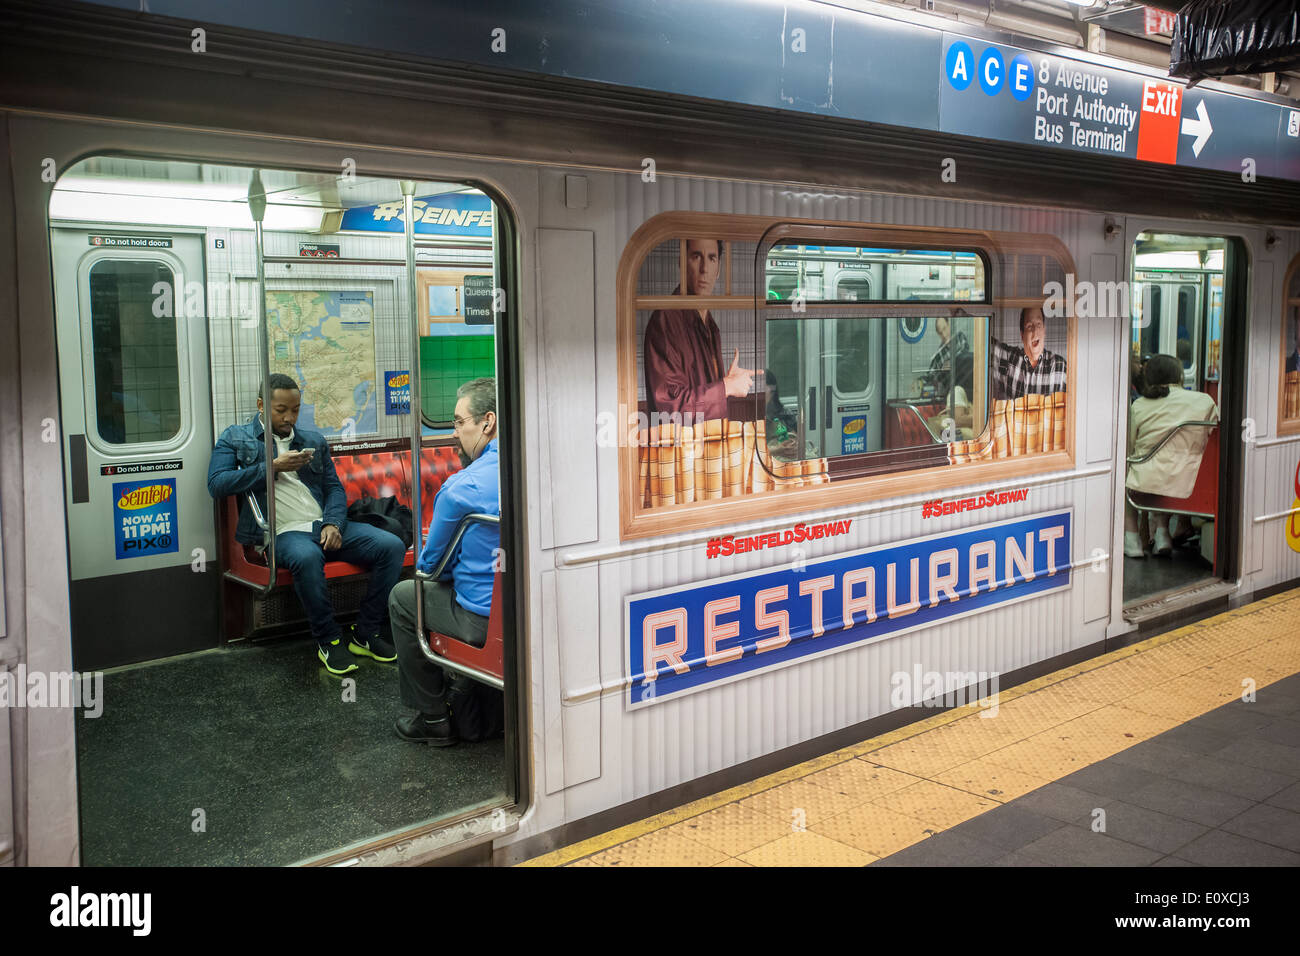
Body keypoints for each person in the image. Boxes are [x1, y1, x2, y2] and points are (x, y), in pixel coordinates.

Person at [207, 374, 405, 675]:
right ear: (261, 405)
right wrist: (270, 467)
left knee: (391, 546)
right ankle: (329, 640)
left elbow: (334, 489)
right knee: (307, 557)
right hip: (282, 532)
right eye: (281, 410)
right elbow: (217, 484)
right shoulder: (235, 438)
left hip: (322, 524)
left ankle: (366, 633)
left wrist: (333, 524)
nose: (289, 417)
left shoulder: (312, 441)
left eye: (296, 410)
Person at [388, 377, 500, 746]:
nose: (454, 433)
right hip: (536, 613)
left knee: (405, 596)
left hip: (483, 621)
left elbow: (430, 568)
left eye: (457, 422)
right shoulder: (543, 470)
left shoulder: (461, 488)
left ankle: (433, 717)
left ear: (487, 422)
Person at [643, 238, 753, 421]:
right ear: (682, 263)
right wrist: (725, 387)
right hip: (681, 448)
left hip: (708, 444)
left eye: (711, 259)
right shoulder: (665, 320)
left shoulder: (711, 326)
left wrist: (726, 384)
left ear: (718, 270)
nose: (704, 269)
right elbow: (671, 409)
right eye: (696, 256)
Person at [1124, 354, 1219, 558]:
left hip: (1145, 487)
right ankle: (1162, 534)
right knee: (1173, 470)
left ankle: (1132, 541)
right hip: (1190, 486)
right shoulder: (1204, 401)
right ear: (1179, 376)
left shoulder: (1139, 405)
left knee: (1131, 476)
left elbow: (1128, 449)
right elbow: (1216, 438)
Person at [990, 306, 1068, 401]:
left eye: (1039, 324)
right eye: (1029, 326)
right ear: (1022, 335)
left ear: (1044, 330)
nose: (1035, 331)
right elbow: (982, 335)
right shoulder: (1008, 359)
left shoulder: (1060, 367)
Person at [921, 316, 975, 436]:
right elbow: (932, 375)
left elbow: (963, 354)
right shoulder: (938, 356)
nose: (944, 334)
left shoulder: (959, 337)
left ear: (949, 325)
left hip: (967, 385)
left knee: (966, 358)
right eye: (940, 332)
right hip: (953, 388)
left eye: (945, 329)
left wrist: (950, 363)